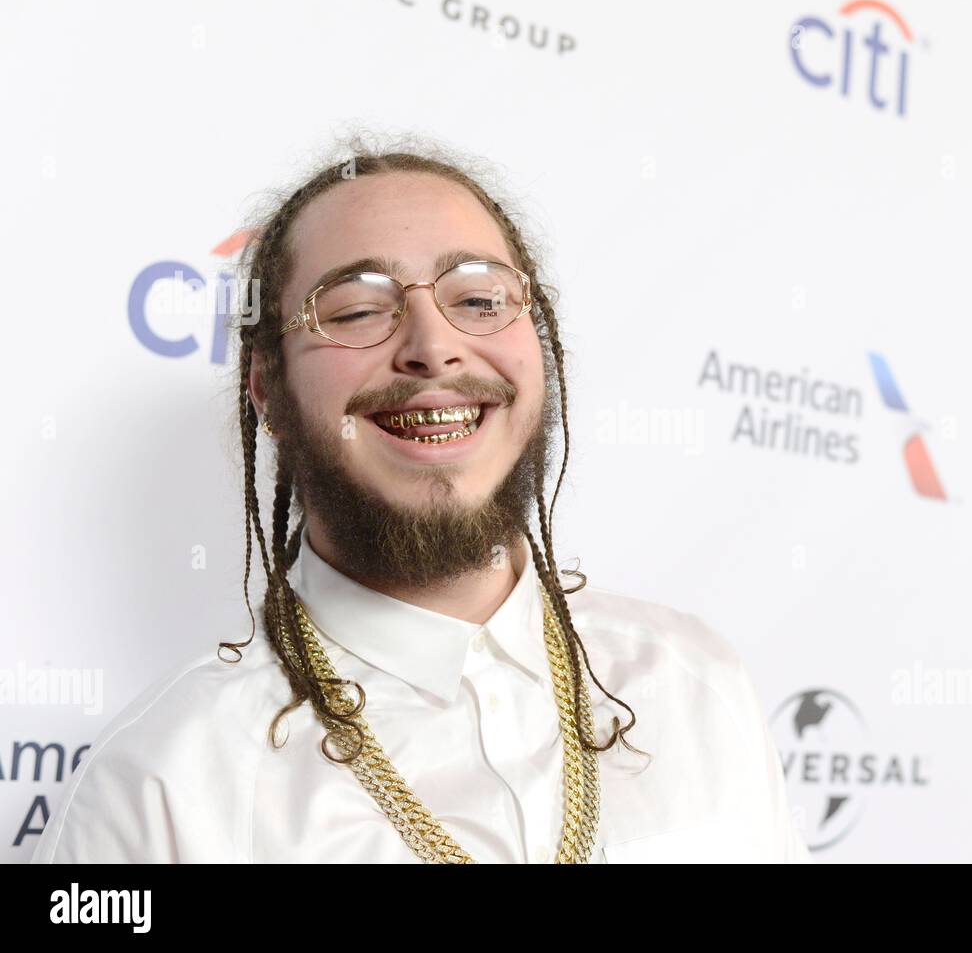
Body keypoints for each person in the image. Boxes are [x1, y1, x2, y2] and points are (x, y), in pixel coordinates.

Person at [31, 135, 812, 863]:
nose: (433, 345)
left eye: (478, 299)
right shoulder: (158, 794)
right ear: (267, 390)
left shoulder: (699, 685)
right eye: (358, 309)